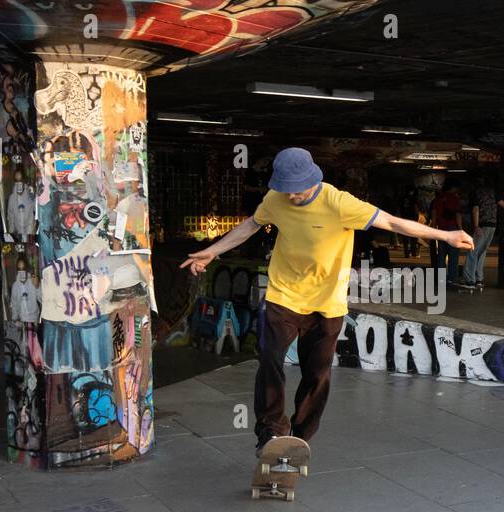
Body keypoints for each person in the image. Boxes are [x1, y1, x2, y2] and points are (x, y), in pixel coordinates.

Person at [181, 148, 473, 453]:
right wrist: (213, 250)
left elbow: (394, 223)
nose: (290, 197)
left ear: (311, 180)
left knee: (317, 374)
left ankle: (299, 438)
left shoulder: (340, 203)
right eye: (285, 190)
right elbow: (251, 225)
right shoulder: (275, 198)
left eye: (295, 191)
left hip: (327, 303)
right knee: (269, 357)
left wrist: (446, 236)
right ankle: (270, 433)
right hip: (284, 295)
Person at [462, 174, 498, 288]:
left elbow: (476, 209)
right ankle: (479, 279)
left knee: (473, 251)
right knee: (482, 252)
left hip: (482, 226)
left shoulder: (477, 192)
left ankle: (469, 280)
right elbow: (503, 205)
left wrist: (476, 226)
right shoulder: (493, 192)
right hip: (492, 225)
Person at [430, 179, 464, 284]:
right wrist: (461, 229)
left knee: (441, 256)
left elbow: (434, 215)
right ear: (453, 188)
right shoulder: (454, 198)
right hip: (453, 229)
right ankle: (452, 279)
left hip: (440, 230)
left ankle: (441, 279)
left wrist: (433, 228)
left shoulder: (437, 199)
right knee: (453, 256)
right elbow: (458, 215)